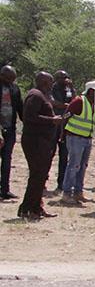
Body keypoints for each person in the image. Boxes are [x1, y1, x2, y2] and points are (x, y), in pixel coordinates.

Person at [17, 71, 63, 219]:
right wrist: (52, 120)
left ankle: (36, 207)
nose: (52, 85)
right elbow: (29, 116)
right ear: (43, 82)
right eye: (50, 82)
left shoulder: (44, 96)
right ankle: (26, 208)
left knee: (41, 175)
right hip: (34, 141)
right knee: (37, 175)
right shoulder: (35, 95)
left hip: (43, 141)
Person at [60, 80, 95, 204]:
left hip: (87, 138)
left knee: (82, 166)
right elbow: (66, 116)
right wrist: (62, 135)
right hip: (75, 137)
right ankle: (67, 193)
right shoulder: (79, 101)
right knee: (74, 165)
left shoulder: (93, 104)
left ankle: (78, 192)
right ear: (90, 91)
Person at [0, 65, 23, 200]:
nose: (10, 81)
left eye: (13, 79)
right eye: (8, 78)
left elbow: (20, 107)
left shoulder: (15, 89)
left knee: (7, 159)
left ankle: (5, 190)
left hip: (10, 128)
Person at [50, 70, 74, 193]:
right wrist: (65, 106)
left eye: (66, 77)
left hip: (65, 125)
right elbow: (53, 103)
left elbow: (73, 104)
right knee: (49, 153)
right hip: (54, 125)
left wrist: (71, 88)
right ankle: (43, 181)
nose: (65, 80)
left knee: (64, 156)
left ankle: (61, 183)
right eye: (62, 77)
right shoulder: (52, 88)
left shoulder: (68, 90)